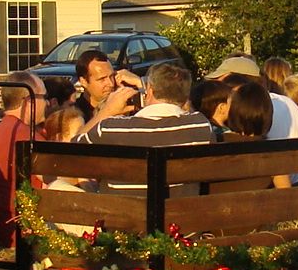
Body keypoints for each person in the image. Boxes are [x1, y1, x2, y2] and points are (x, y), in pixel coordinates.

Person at [75, 63, 215, 190]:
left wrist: (107, 111)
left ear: (150, 90)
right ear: (186, 97)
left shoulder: (110, 128)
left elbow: (73, 149)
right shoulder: (200, 125)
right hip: (179, 215)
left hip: (121, 213)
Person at [0, 70, 46, 238]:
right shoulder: (29, 138)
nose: (48, 103)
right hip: (23, 235)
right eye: (44, 97)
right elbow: (54, 182)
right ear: (29, 101)